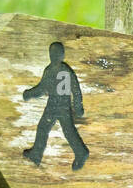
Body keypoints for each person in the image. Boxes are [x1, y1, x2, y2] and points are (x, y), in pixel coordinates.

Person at [22, 41, 90, 171]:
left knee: (60, 130)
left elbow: (41, 89)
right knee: (49, 127)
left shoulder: (51, 70)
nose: (54, 56)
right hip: (61, 104)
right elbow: (75, 90)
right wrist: (78, 106)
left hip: (55, 104)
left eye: (55, 53)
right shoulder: (65, 69)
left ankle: (81, 153)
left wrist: (28, 94)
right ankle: (36, 154)